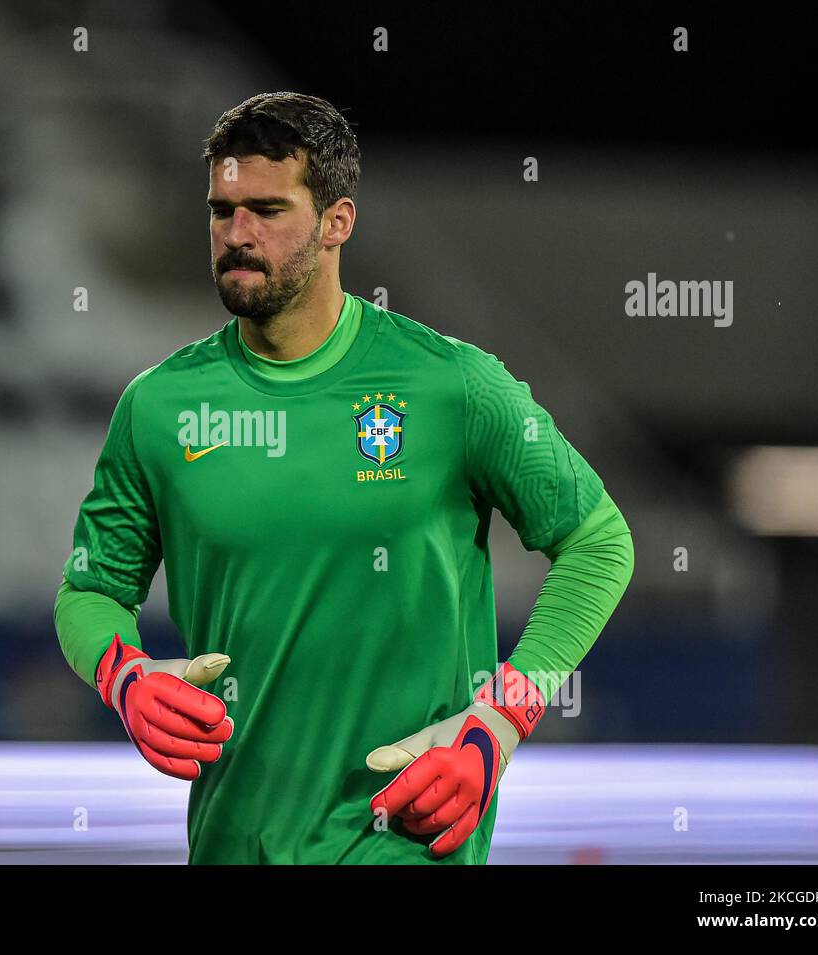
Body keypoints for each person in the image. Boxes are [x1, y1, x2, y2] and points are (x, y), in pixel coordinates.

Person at [54, 91, 634, 864]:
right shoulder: (159, 406)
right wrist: (125, 676)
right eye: (221, 210)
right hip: (234, 841)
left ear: (338, 222)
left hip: (405, 840)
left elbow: (598, 542)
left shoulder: (452, 386)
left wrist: (498, 725)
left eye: (266, 208)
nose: (236, 234)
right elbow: (90, 590)